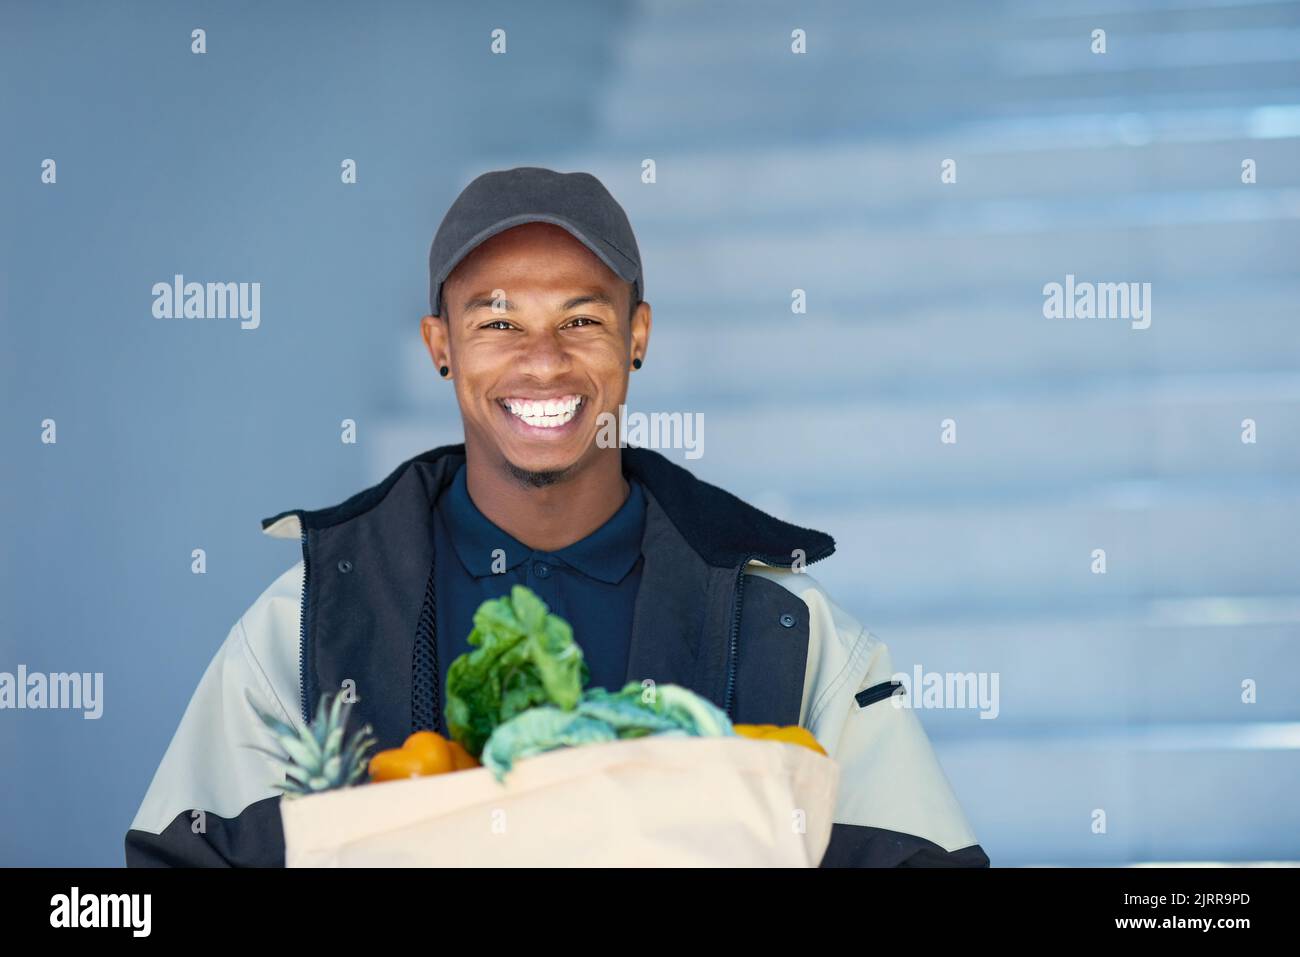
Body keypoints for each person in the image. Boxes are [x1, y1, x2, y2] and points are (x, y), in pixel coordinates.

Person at [125, 166, 989, 867]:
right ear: (440, 346)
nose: (544, 361)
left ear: (637, 336)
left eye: (582, 318)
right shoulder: (312, 619)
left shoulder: (785, 628)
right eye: (498, 321)